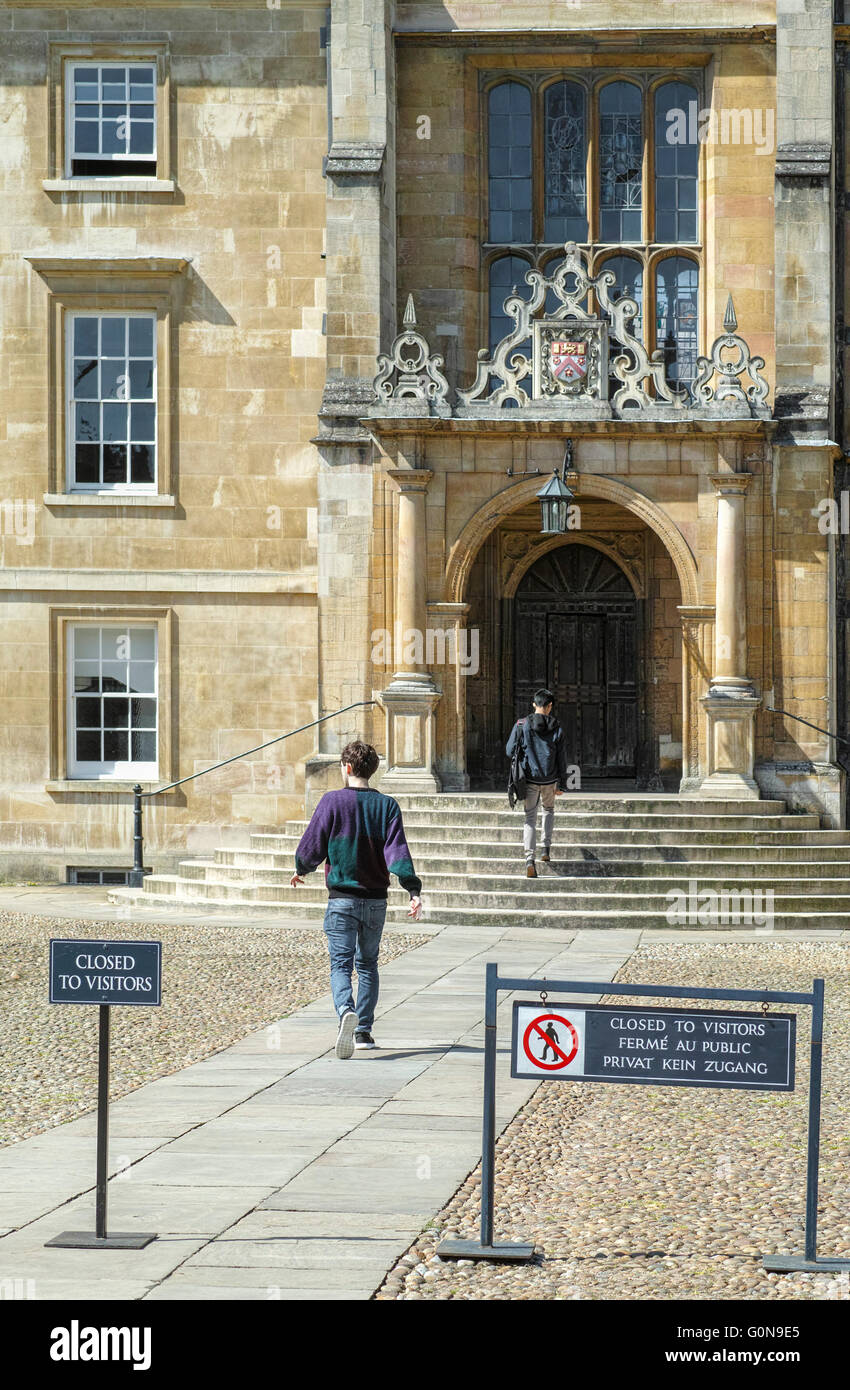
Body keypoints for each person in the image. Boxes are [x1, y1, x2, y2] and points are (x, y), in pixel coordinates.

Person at [290, 740, 423, 1059]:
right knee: (368, 964)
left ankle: (345, 1011)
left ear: (346, 768)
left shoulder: (331, 802)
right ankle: (363, 1031)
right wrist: (413, 890)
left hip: (341, 900)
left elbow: (312, 846)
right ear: (373, 770)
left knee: (341, 964)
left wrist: (301, 869)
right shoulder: (388, 806)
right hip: (376, 900)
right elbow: (398, 853)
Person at [505, 688, 568, 878]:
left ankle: (529, 859)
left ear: (534, 704)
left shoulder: (521, 724)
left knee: (530, 818)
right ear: (549, 706)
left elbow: (509, 751)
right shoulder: (557, 727)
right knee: (548, 810)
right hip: (550, 780)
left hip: (529, 779)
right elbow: (562, 757)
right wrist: (562, 783)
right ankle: (545, 849)